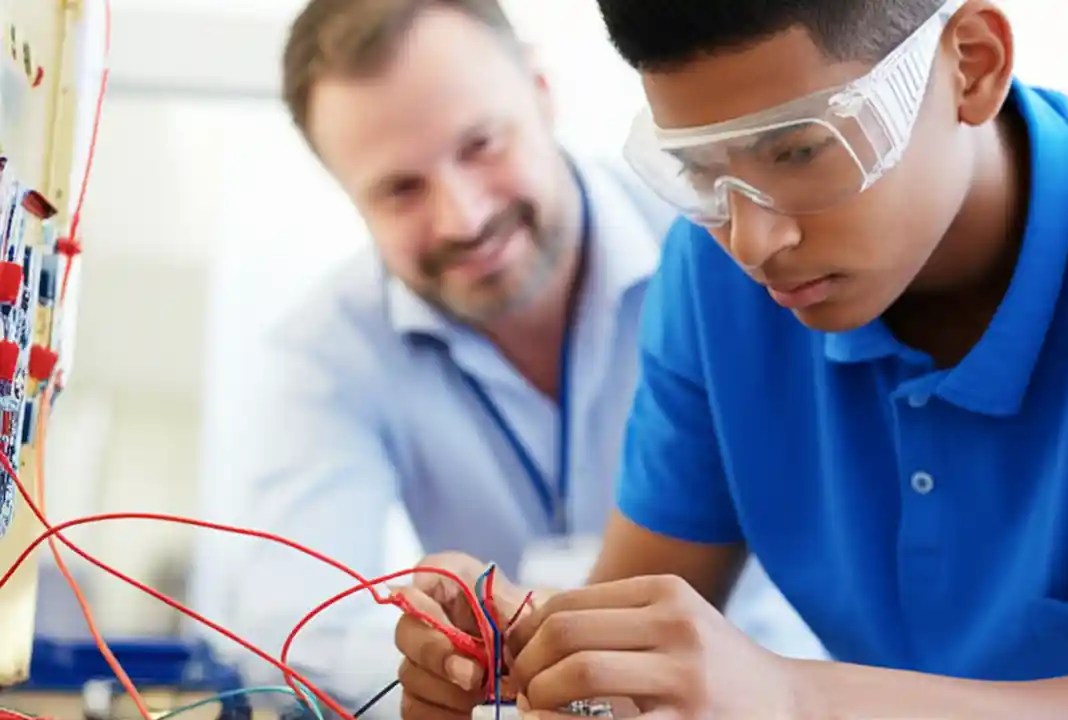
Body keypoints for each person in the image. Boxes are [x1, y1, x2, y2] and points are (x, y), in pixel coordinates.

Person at [392, 0, 1068, 717]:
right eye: (702, 171)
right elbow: (627, 662)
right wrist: (517, 654)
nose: (755, 239)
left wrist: (793, 696)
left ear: (970, 63)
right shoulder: (712, 281)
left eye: (801, 151)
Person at [195, 0, 825, 710]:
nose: (463, 216)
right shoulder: (326, 354)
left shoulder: (732, 259)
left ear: (542, 92)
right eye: (401, 190)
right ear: (348, 197)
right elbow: (291, 621)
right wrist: (455, 658)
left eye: (480, 146)